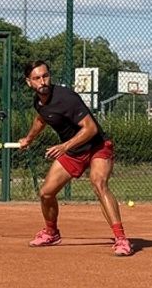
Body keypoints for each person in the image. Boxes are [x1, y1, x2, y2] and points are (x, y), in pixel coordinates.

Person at [17, 60, 133, 257]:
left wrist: (63, 146)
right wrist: (28, 139)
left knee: (98, 183)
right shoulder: (38, 102)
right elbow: (41, 118)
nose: (42, 81)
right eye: (37, 78)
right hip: (74, 152)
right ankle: (51, 233)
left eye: (45, 76)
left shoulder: (66, 98)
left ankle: (121, 239)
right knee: (46, 193)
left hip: (96, 146)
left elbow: (91, 128)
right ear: (29, 82)